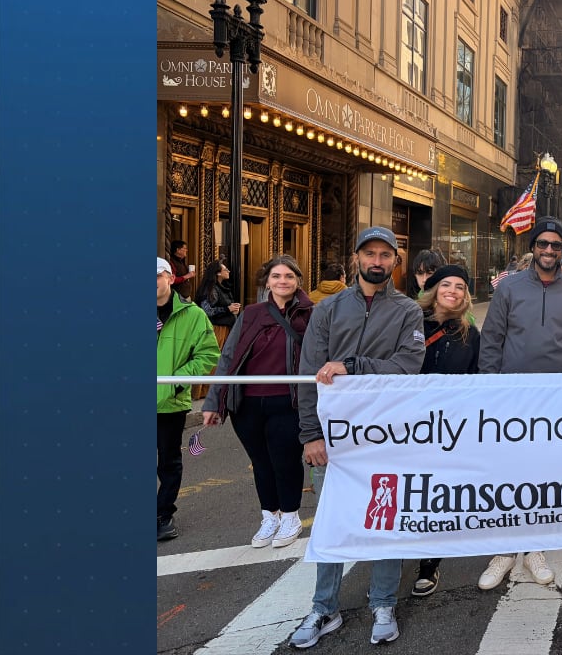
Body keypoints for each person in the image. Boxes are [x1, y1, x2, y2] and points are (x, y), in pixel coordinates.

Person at [289, 226, 426, 649]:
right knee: (332, 521)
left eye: (385, 255)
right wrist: (310, 434)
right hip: (335, 437)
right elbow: (308, 373)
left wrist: (354, 365)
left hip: (389, 434)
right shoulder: (328, 309)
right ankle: (324, 607)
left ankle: (383, 602)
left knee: (387, 517)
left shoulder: (408, 311)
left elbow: (408, 366)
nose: (377, 261)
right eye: (370, 254)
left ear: (395, 262)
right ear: (356, 259)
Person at [477, 217, 562, 590]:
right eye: (542, 243)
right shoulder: (509, 288)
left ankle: (535, 548)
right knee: (509, 473)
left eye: (555, 245)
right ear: (533, 247)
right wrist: (490, 391)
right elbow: (492, 340)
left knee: (546, 475)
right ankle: (504, 550)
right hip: (512, 399)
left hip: (559, 401)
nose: (548, 250)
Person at [201, 255, 313, 550]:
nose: (282, 281)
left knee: (285, 461)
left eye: (289, 276)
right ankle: (269, 516)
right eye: (276, 276)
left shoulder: (311, 314)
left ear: (298, 280)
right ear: (267, 282)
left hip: (288, 402)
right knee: (261, 462)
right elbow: (229, 357)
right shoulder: (251, 314)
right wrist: (213, 402)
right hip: (248, 404)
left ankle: (290, 516)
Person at [410, 263, 482, 599]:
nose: (452, 291)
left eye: (459, 287)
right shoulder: (410, 324)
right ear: (434, 289)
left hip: (447, 427)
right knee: (408, 489)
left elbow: (477, 379)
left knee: (437, 492)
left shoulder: (470, 334)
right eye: (446, 285)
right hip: (408, 424)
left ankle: (429, 564)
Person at [157, 257, 220, 542]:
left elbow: (208, 354)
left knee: (168, 462)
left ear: (170, 278)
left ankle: (163, 514)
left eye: (157, 276)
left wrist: (178, 381)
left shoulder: (193, 314)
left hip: (170, 402)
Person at [193, 260, 242, 400]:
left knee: (224, 359)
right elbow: (207, 311)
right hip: (216, 329)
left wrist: (232, 310)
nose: (228, 271)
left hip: (225, 328)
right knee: (213, 359)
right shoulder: (211, 289)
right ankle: (205, 390)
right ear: (218, 273)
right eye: (225, 269)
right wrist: (227, 309)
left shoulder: (221, 288)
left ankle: (218, 388)